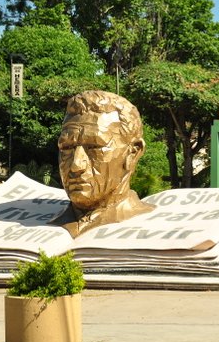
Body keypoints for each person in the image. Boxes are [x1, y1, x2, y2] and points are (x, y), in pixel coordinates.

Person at [49, 90, 155, 237]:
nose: (76, 165)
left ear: (133, 153)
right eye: (67, 148)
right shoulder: (46, 227)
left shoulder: (151, 226)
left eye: (94, 147)